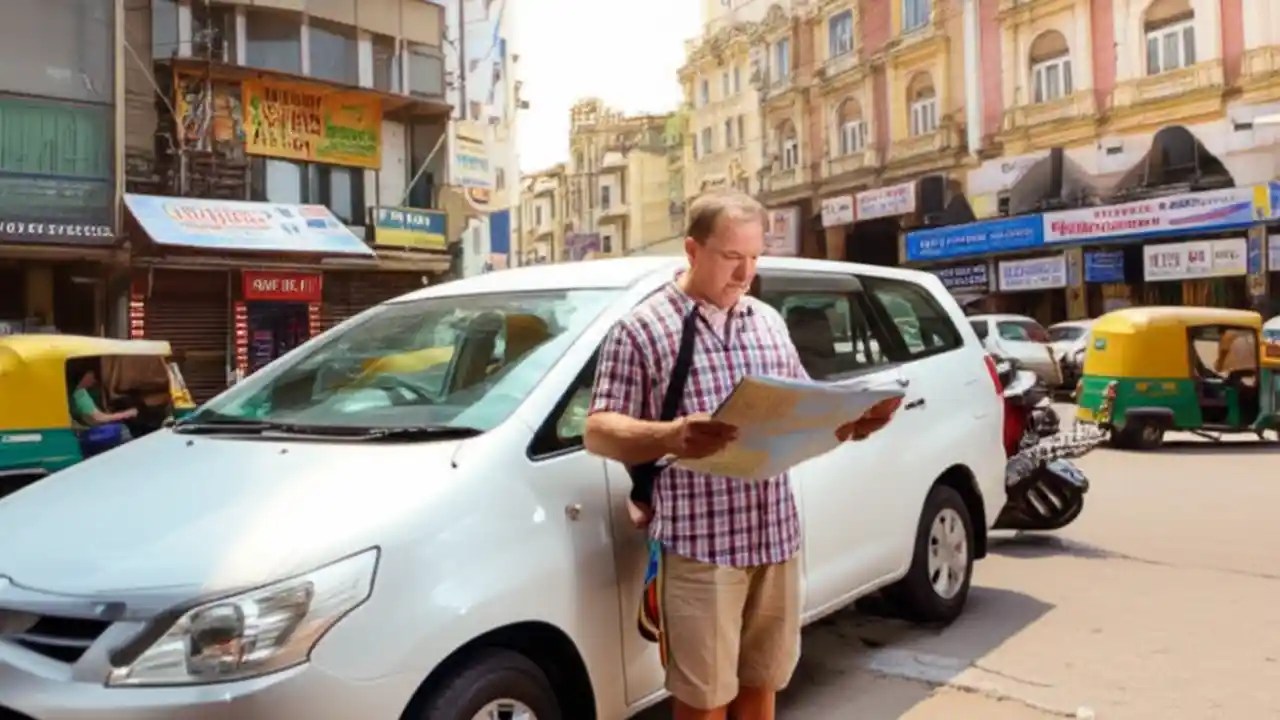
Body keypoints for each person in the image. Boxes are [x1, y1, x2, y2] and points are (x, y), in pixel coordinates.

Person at [583, 188, 900, 720]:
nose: (744, 273)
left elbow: (800, 407)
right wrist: (670, 435)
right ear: (692, 250)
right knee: (704, 701)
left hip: (775, 537)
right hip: (703, 546)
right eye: (732, 258)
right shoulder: (643, 329)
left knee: (763, 686)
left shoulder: (767, 321)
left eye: (754, 258)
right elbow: (598, 430)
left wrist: (848, 423)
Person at [69, 365, 138, 428]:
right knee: (124, 429)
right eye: (92, 377)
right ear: (85, 377)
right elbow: (99, 418)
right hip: (87, 431)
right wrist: (127, 414)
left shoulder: (76, 390)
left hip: (84, 424)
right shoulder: (80, 396)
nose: (94, 380)